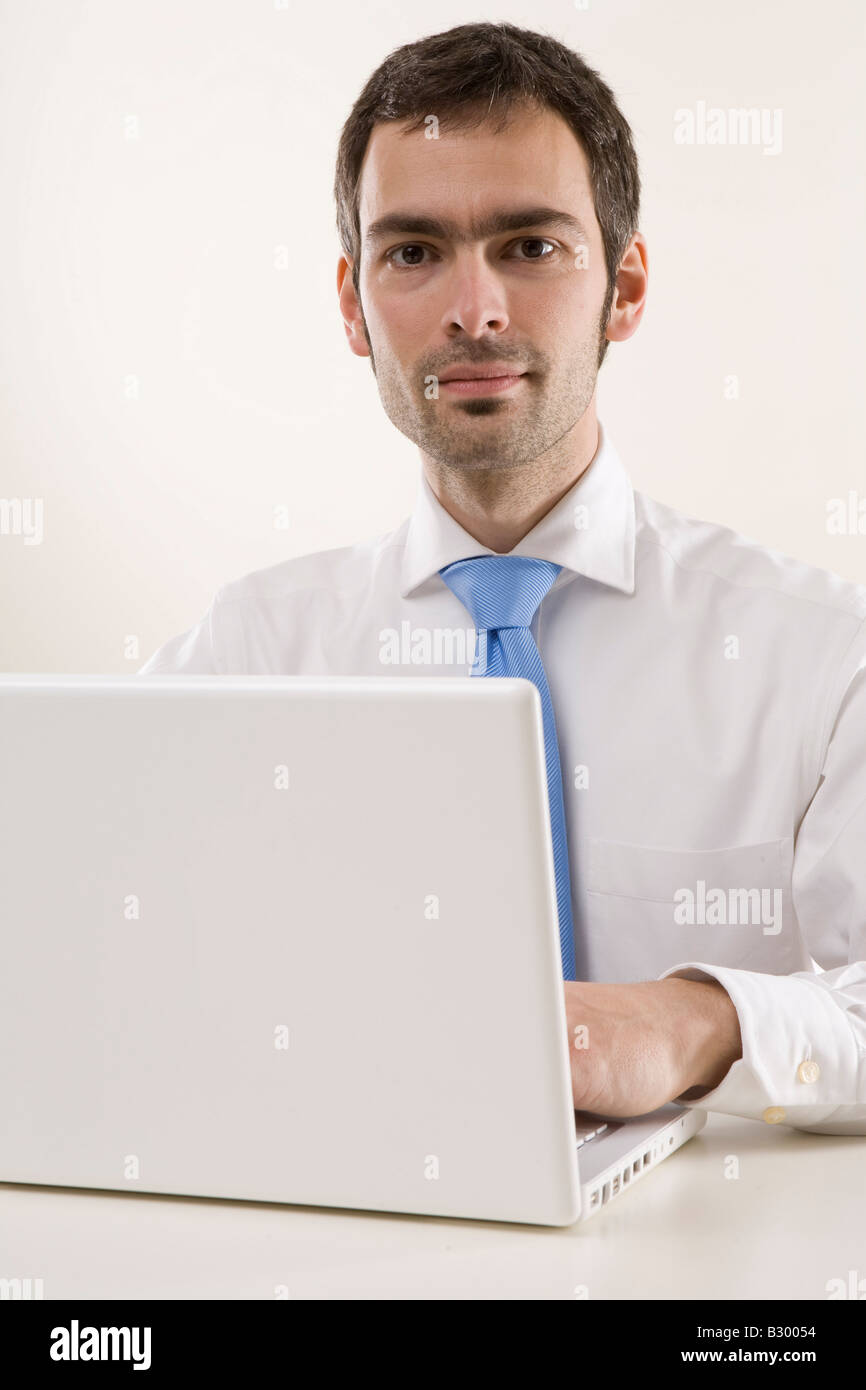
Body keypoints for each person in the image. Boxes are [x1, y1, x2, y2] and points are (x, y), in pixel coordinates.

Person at [140, 21, 866, 1134]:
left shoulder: (820, 656)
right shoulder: (248, 655)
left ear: (623, 288)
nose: (471, 310)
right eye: (413, 251)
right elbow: (93, 946)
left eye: (528, 247)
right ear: (351, 305)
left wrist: (699, 1021)